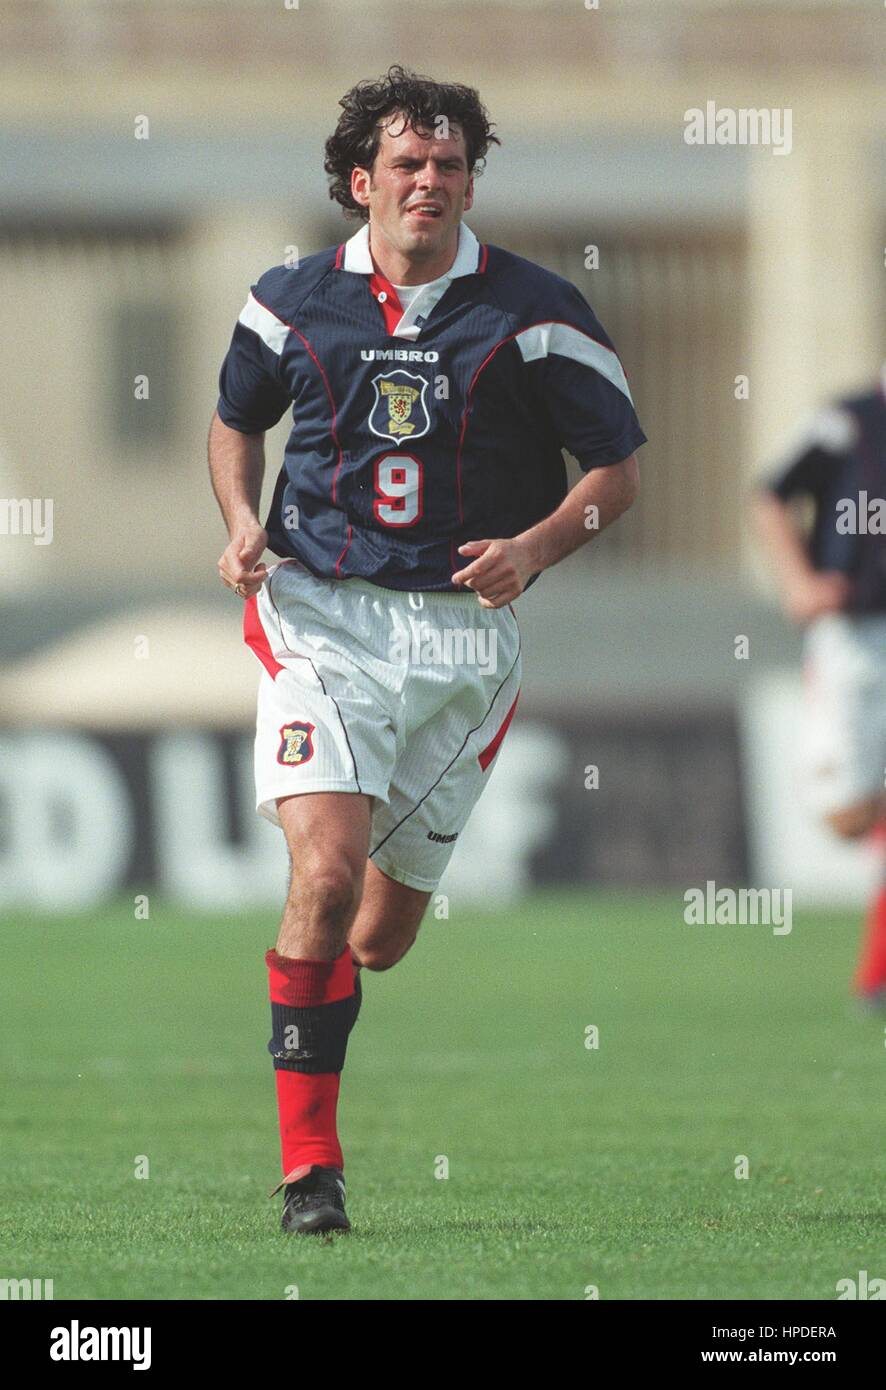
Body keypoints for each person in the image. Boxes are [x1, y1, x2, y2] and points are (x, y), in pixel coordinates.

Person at [208, 66, 646, 1233]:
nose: (429, 183)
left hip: (464, 642)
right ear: (361, 182)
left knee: (381, 939)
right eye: (406, 164)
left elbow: (617, 476)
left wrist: (540, 544)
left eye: (449, 165)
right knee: (324, 871)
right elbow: (235, 421)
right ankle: (311, 1174)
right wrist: (243, 522)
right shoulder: (290, 298)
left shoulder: (536, 311)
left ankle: (322, 987)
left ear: (470, 182)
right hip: (320, 617)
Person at [755, 369, 886, 1003]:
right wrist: (797, 583)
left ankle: (875, 975)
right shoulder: (849, 419)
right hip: (856, 637)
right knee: (847, 815)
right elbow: (769, 491)